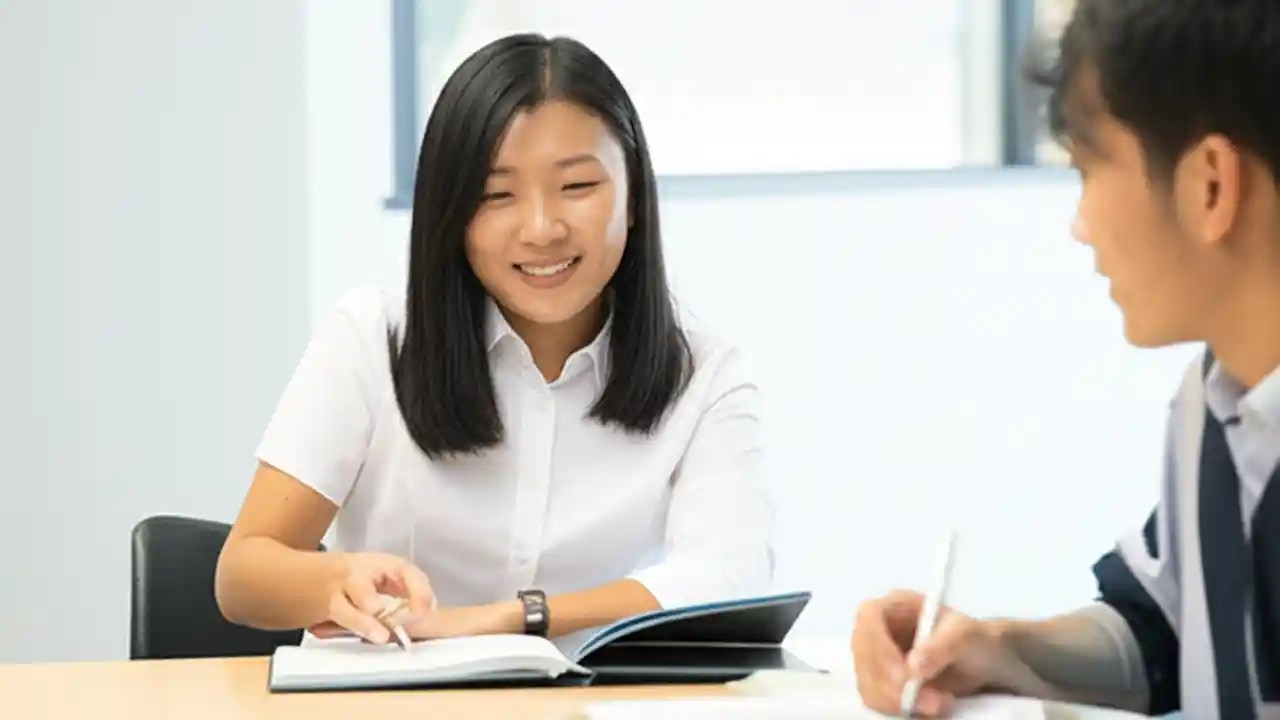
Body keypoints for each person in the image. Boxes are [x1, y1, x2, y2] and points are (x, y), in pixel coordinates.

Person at [214, 33, 773, 652]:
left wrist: (511, 618)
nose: (541, 229)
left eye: (577, 187)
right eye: (495, 195)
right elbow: (242, 577)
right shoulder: (373, 338)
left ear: (634, 195)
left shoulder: (704, 374)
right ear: (452, 213)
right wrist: (334, 580)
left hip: (589, 696)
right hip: (388, 694)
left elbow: (731, 576)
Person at [852, 0, 1280, 717]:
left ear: (1210, 184)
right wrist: (996, 649)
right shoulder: (1214, 403)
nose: (1081, 227)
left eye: (1088, 168)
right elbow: (1162, 628)